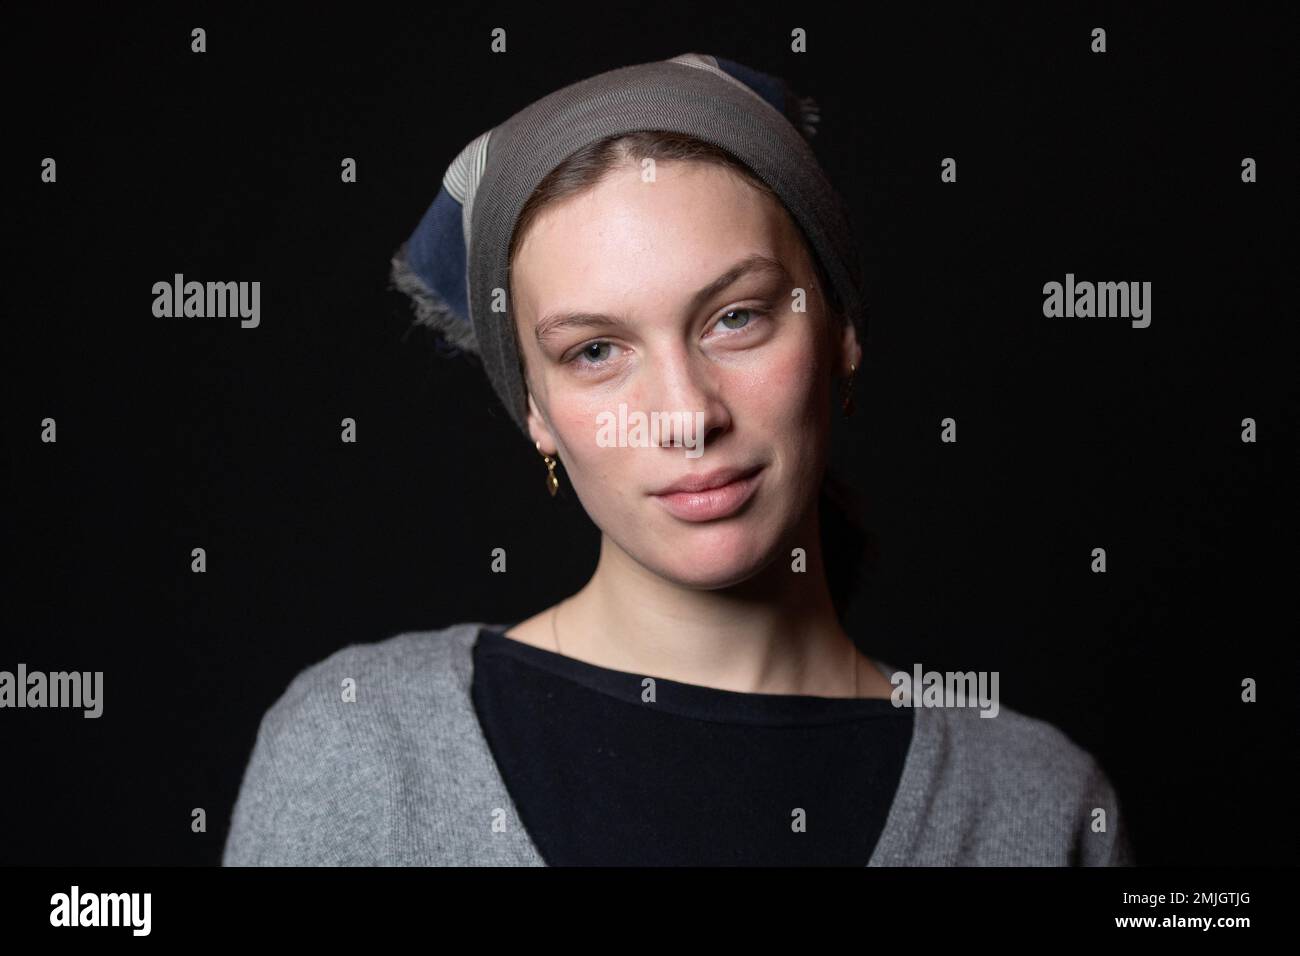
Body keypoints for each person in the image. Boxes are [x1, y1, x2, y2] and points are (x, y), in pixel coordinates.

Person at [222, 52, 1133, 866]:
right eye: (595, 351)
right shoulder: (359, 745)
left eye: (735, 318)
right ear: (535, 412)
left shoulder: (1038, 804)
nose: (687, 415)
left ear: (842, 333)